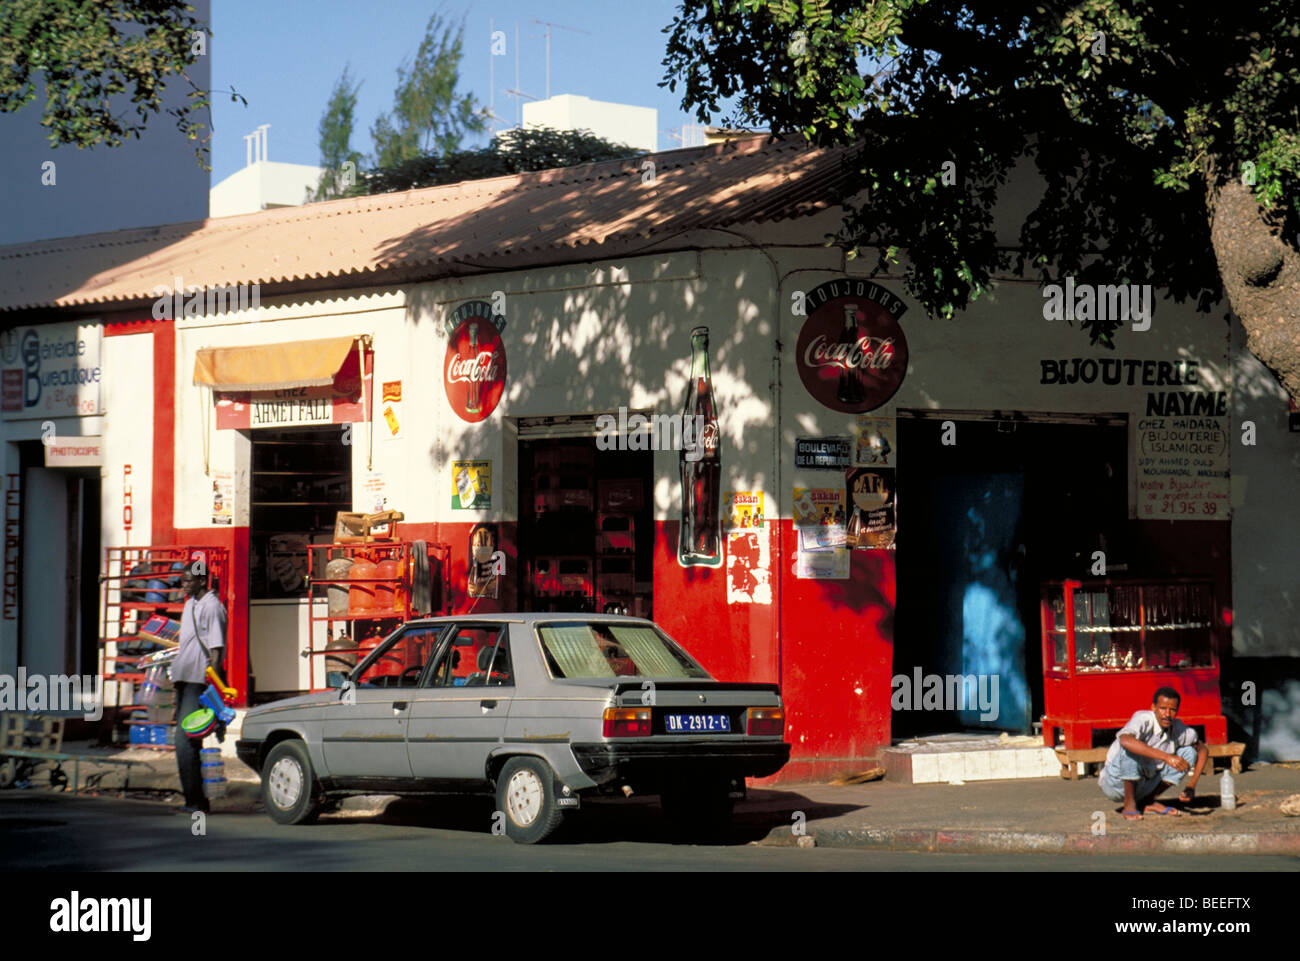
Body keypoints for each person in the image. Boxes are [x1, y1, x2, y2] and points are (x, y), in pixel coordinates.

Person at [168, 560, 227, 814]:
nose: (184, 584)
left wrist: (211, 688)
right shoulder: (190, 604)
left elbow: (216, 650)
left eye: (188, 580)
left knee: (185, 740)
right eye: (183, 580)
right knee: (186, 739)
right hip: (183, 677)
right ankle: (194, 799)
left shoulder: (213, 607)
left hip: (197, 680)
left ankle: (196, 802)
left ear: (202, 581)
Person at [1098, 686, 1208, 820]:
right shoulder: (1143, 719)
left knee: (1189, 752)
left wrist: (1192, 784)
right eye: (1162, 708)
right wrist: (1167, 757)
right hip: (1115, 784)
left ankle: (1148, 801)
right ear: (1153, 707)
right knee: (1131, 748)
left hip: (1144, 784)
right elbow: (1125, 740)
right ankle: (1129, 804)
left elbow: (1202, 749)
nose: (1167, 714)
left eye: (1172, 710)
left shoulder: (1178, 728)